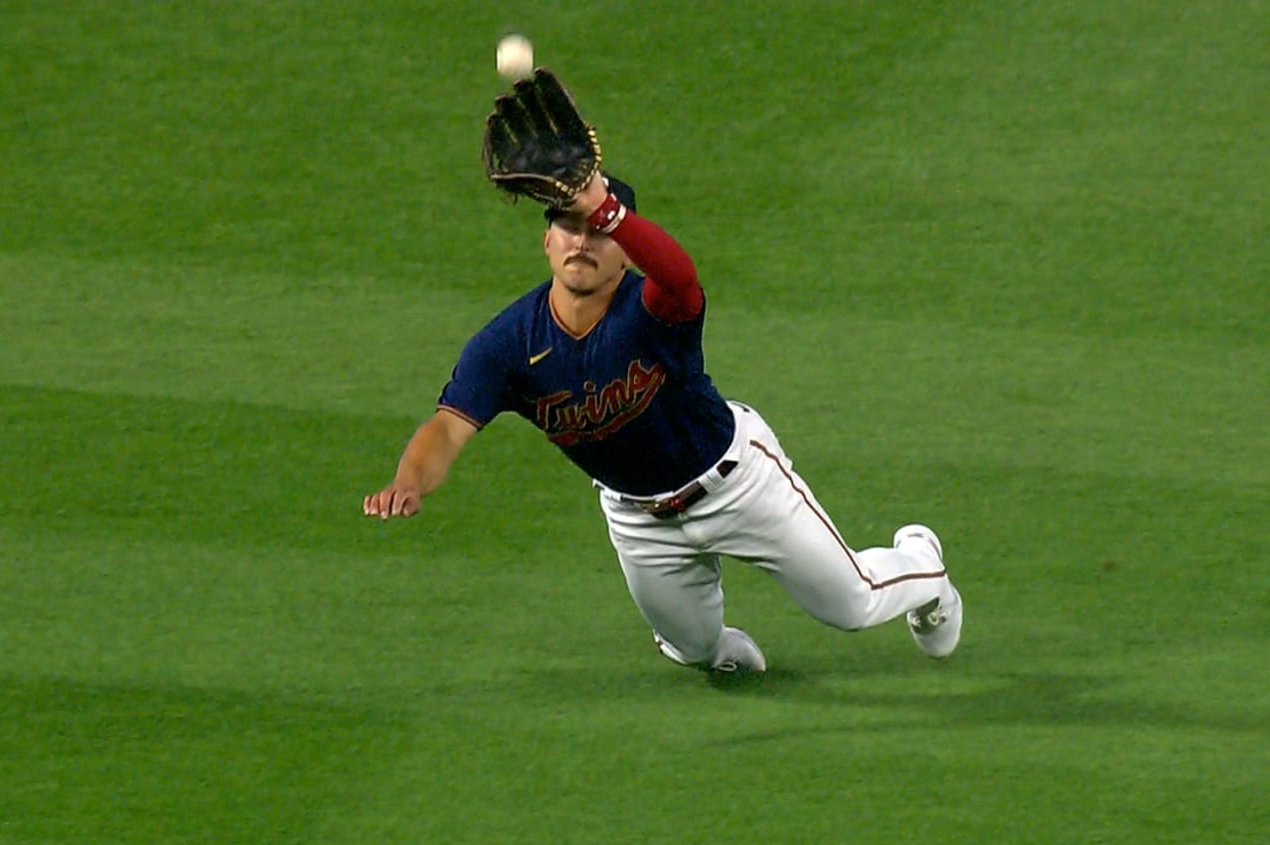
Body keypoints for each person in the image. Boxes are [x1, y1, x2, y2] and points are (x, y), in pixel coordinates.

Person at [361, 169, 962, 676]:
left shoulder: (653, 307)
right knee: (698, 650)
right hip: (638, 519)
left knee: (852, 604)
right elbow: (447, 427)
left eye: (598, 231)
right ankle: (713, 651)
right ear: (546, 242)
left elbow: (679, 276)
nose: (582, 242)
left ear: (624, 248)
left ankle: (923, 564)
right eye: (568, 227)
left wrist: (610, 211)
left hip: (738, 485)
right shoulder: (507, 345)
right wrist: (409, 480)